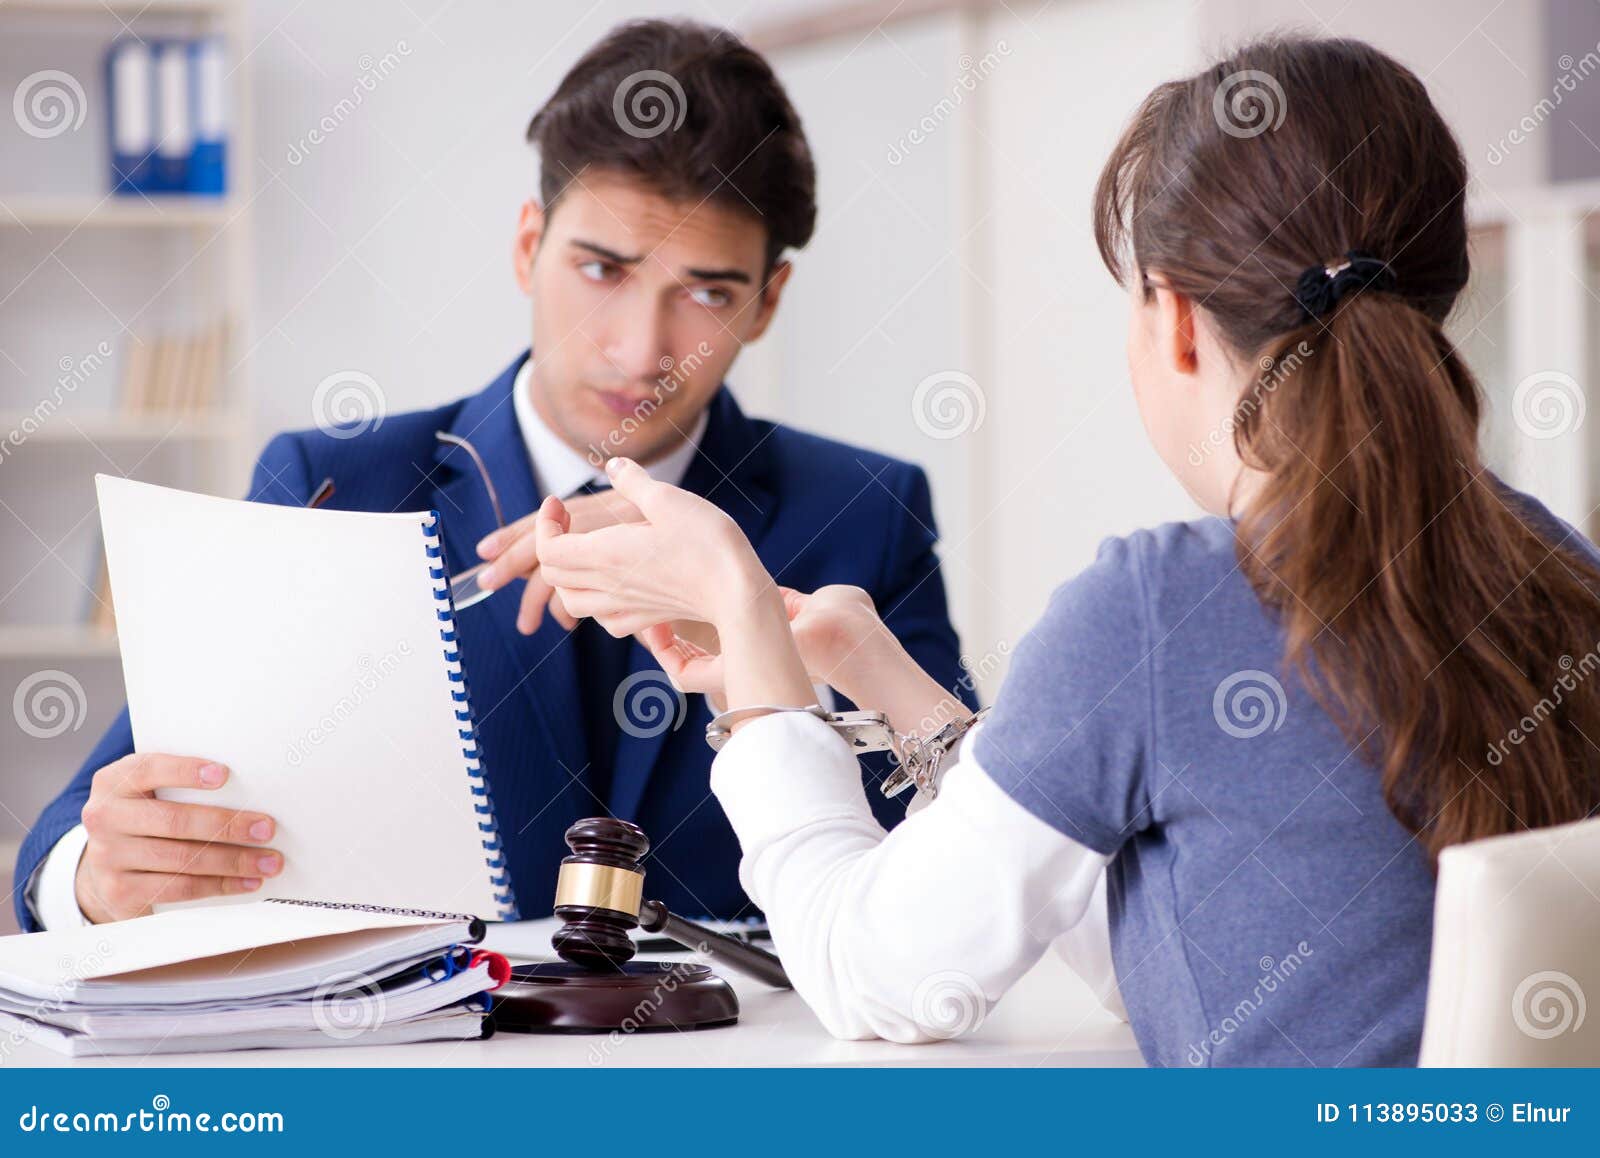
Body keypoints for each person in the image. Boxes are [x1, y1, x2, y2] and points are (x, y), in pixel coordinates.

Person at [528, 36, 1600, 1066]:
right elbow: (1187, 936)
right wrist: (885, 680)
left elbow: (875, 980)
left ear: (1172, 321)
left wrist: (748, 642)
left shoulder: (1163, 600)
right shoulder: (1558, 569)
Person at [13, 19, 974, 932]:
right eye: (603, 270)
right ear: (529, 248)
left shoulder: (866, 510)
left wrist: (748, 616)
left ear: (767, 304)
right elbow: (66, 845)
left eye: (707, 293)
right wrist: (99, 877)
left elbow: (957, 869)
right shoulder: (337, 484)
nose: (642, 350)